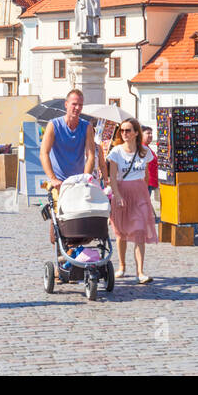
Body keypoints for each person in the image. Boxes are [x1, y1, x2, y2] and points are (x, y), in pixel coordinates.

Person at [40, 89, 96, 244]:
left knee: (81, 218)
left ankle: (77, 252)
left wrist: (86, 177)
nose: (77, 108)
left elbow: (91, 155)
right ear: (66, 105)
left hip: (78, 180)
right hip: (59, 181)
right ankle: (61, 257)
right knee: (61, 219)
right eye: (74, 104)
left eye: (80, 105)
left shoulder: (86, 127)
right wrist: (52, 179)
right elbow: (44, 153)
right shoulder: (54, 125)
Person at [108, 119, 157, 283]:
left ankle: (140, 272)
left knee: (139, 231)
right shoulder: (116, 152)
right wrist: (117, 195)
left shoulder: (144, 151)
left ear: (136, 132)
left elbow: (147, 175)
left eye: (128, 130)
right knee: (121, 233)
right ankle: (122, 266)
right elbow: (112, 177)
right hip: (122, 192)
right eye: (122, 131)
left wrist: (146, 193)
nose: (124, 134)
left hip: (140, 194)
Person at [142, 126, 158, 220]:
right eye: (148, 133)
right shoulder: (142, 148)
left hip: (151, 180)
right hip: (145, 180)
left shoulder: (147, 147)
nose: (150, 135)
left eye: (151, 133)